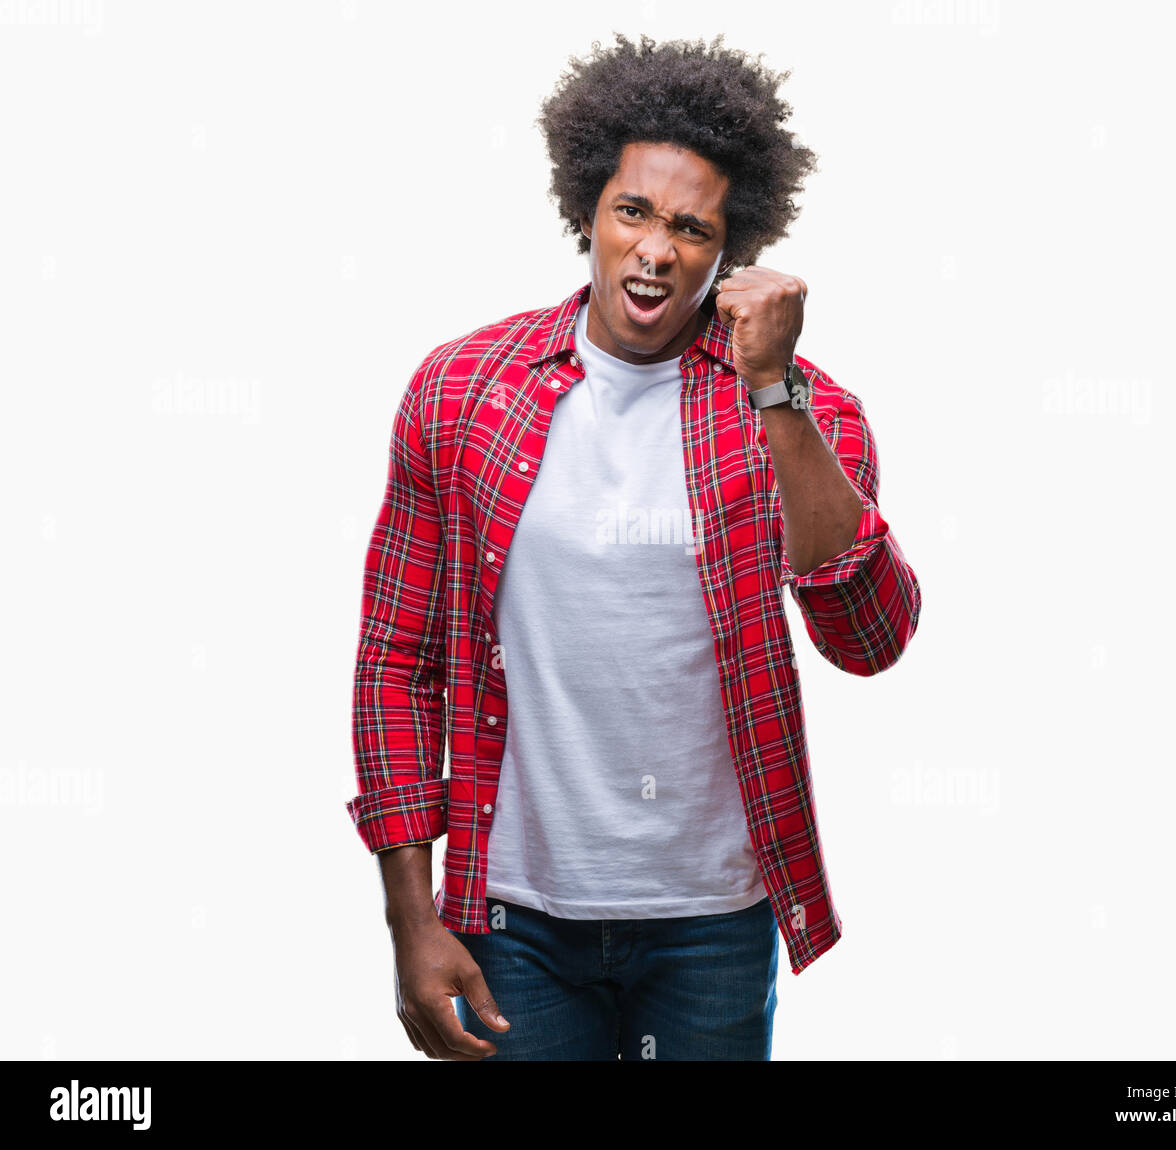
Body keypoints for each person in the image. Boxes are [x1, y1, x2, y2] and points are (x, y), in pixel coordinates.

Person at [345, 32, 922, 1061]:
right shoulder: (461, 392)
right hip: (510, 914)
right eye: (633, 212)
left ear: (728, 246)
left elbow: (868, 635)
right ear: (585, 212)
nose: (655, 250)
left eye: (691, 228)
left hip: (710, 918)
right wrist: (409, 916)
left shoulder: (803, 405)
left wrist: (772, 391)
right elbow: (397, 660)